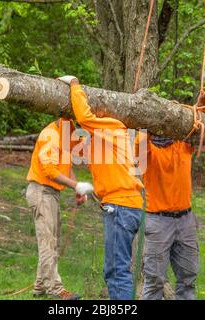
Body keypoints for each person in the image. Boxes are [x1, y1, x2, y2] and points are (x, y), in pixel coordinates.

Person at [58, 75, 144, 300]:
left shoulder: (114, 127)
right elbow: (72, 143)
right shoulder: (100, 138)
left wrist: (75, 85)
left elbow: (85, 118)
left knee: (116, 272)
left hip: (122, 207)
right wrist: (65, 115)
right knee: (115, 270)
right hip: (121, 206)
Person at [140, 91, 205, 300]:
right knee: (153, 281)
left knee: (188, 278)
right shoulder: (147, 147)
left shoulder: (184, 144)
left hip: (185, 220)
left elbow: (202, 128)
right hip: (157, 220)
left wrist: (202, 106)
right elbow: (140, 142)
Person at [26, 117, 94, 300]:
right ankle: (56, 289)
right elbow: (50, 170)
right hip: (41, 191)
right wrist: (75, 185)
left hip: (51, 194)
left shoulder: (66, 134)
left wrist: (76, 187)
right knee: (48, 242)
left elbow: (66, 165)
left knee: (51, 241)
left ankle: (40, 286)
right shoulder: (51, 136)